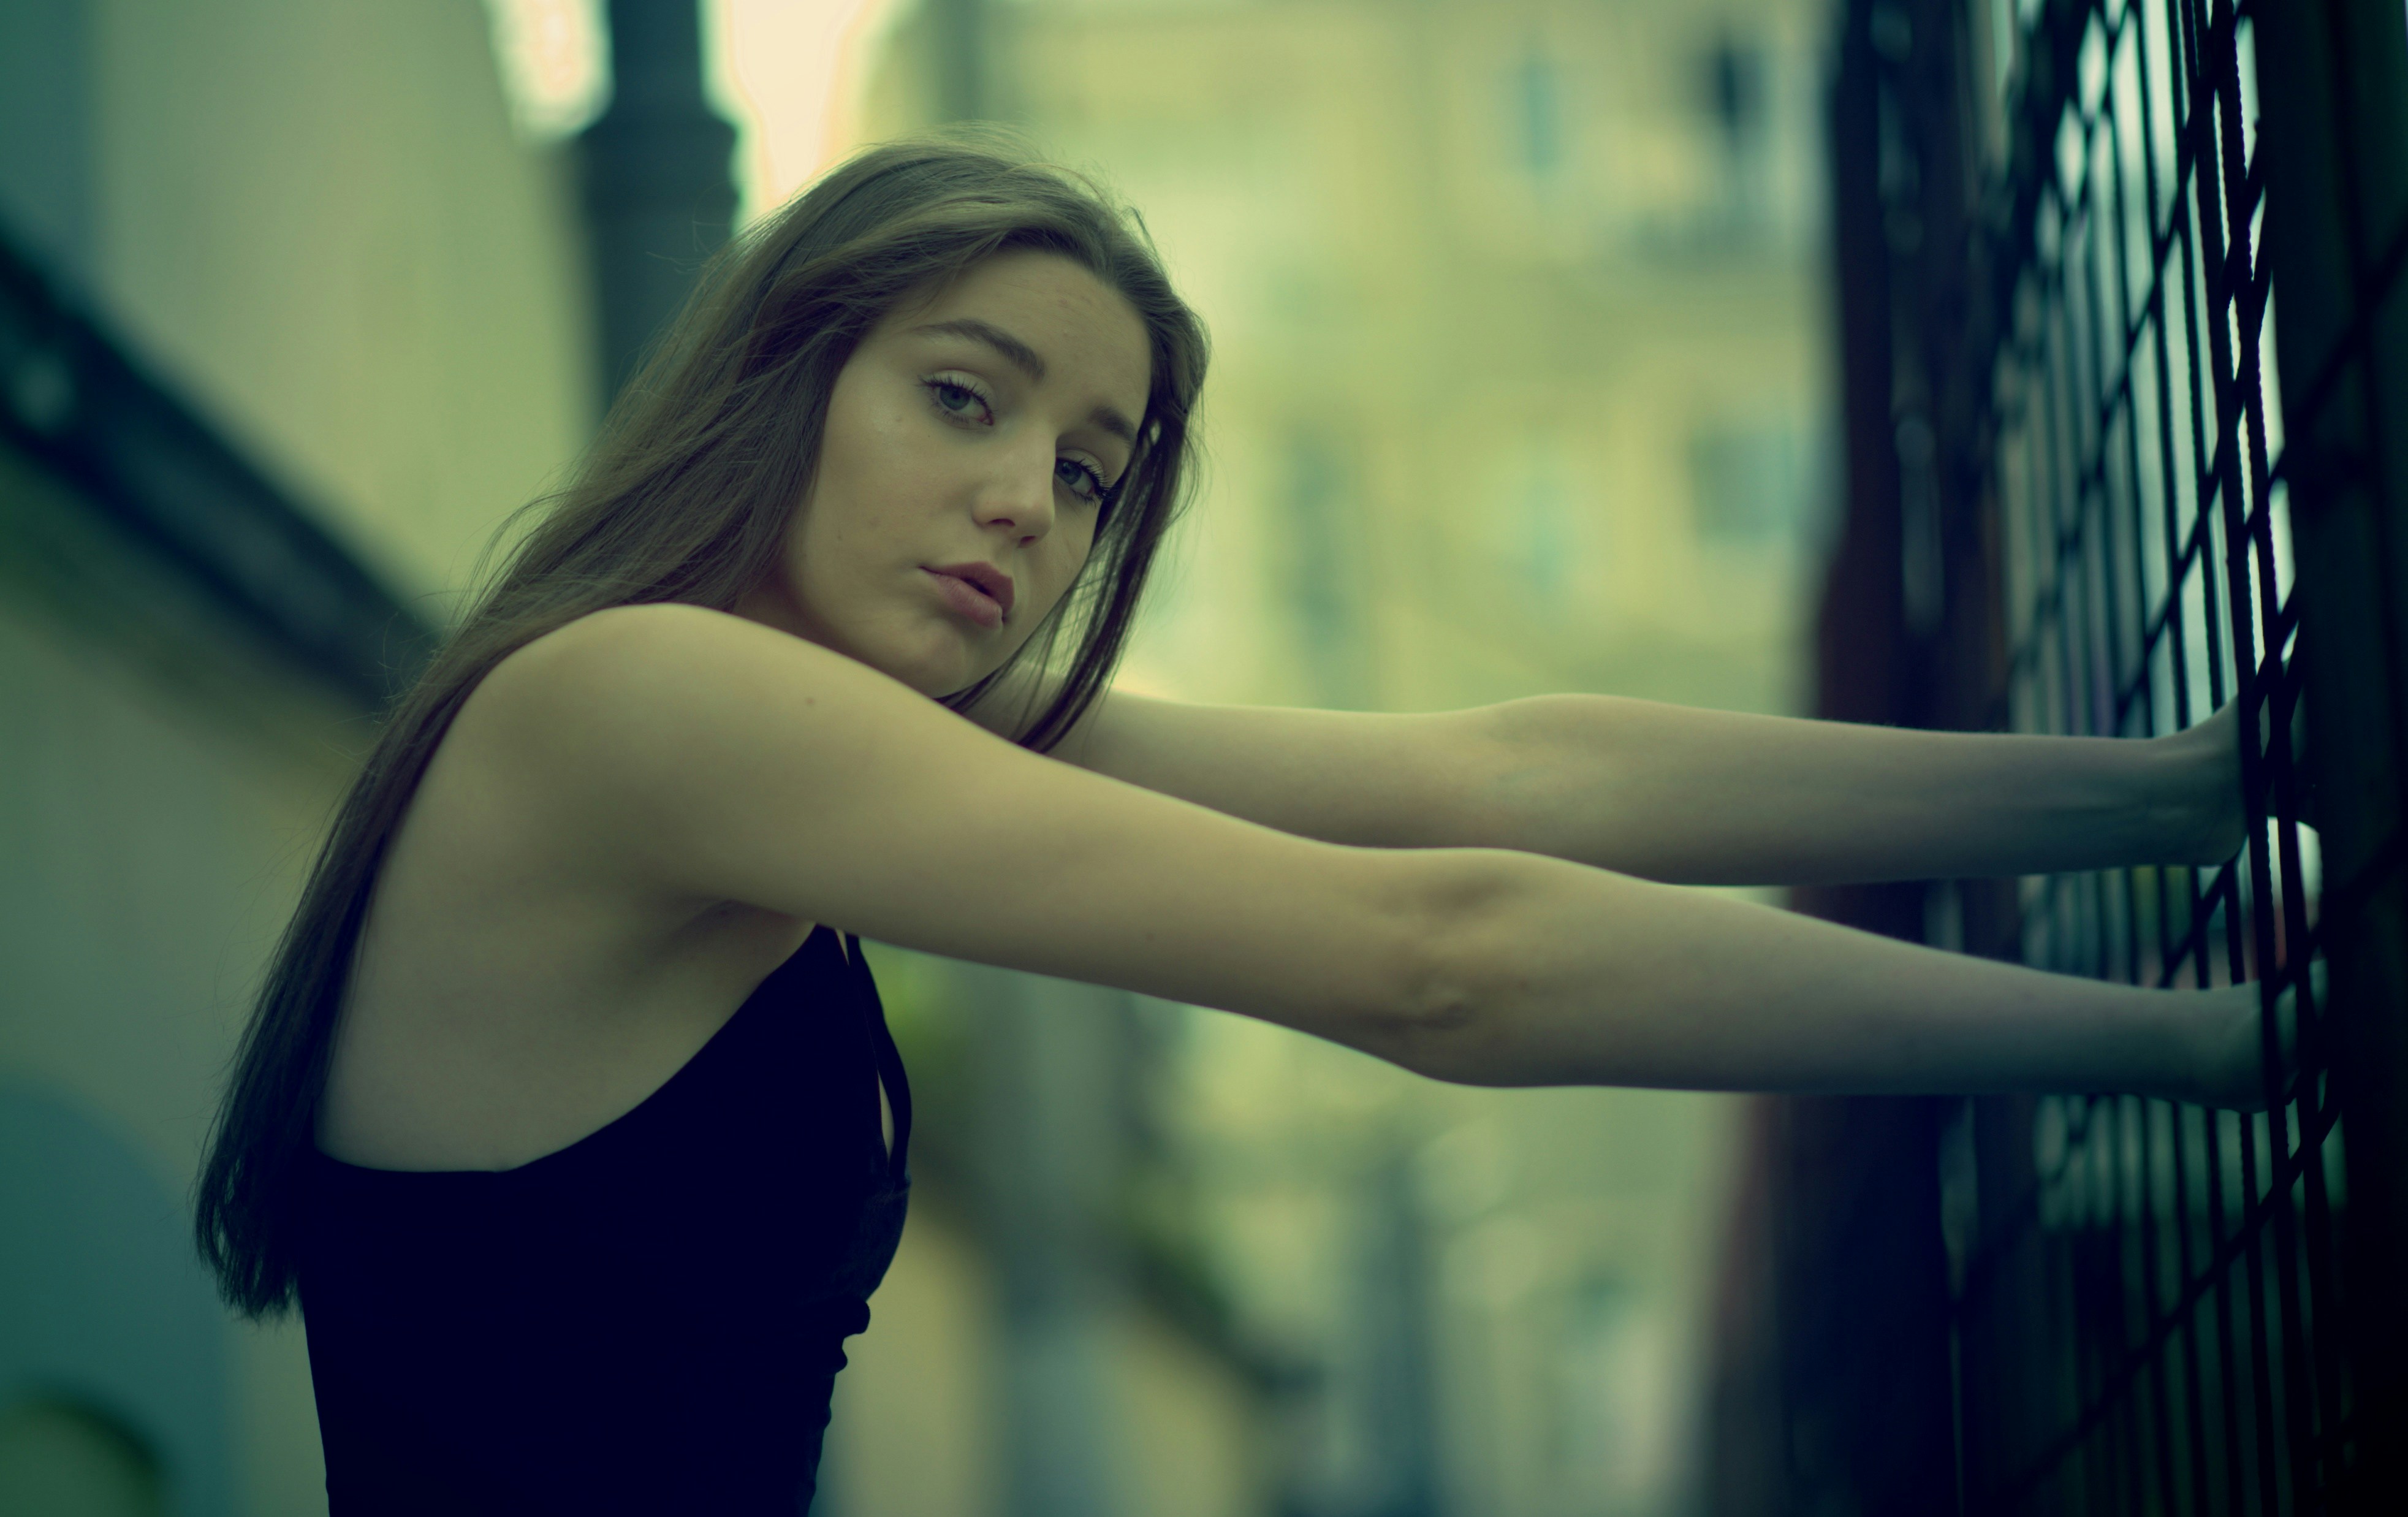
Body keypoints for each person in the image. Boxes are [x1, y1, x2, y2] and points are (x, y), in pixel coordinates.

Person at [194, 135, 2273, 1514]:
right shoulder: (644, 704)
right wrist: (2207, 1051)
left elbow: (1501, 778)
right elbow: (1432, 949)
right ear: (782, 377)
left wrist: (2178, 792)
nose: (1030, 498)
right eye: (965, 396)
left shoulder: (787, 728)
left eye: (1092, 470)